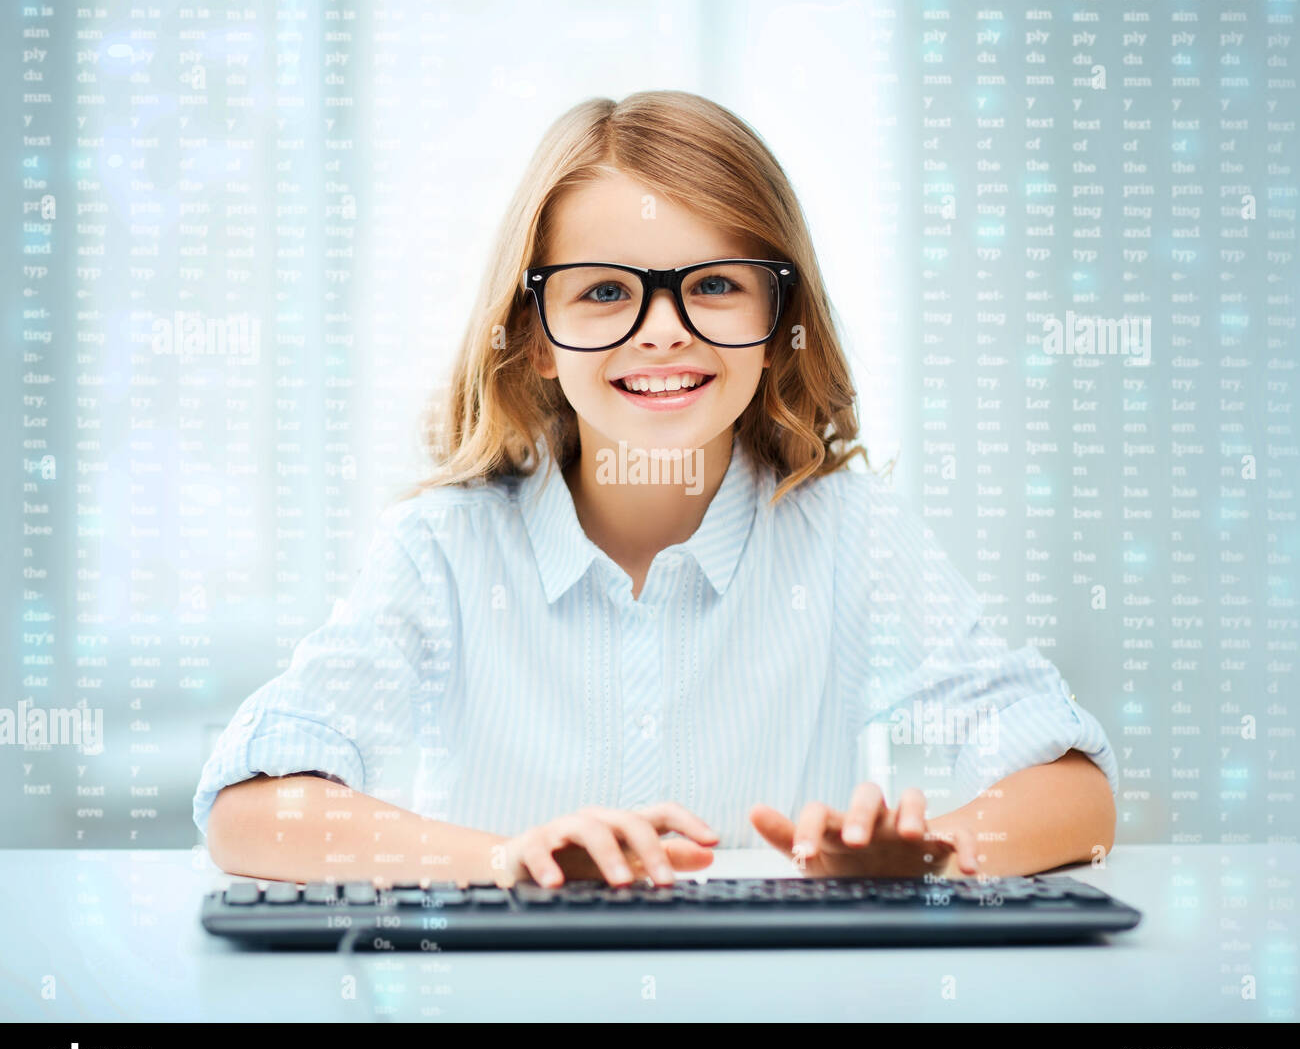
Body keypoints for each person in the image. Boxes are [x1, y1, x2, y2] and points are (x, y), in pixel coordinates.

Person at [194, 90, 1118, 889]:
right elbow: (249, 811)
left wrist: (936, 855)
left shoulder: (848, 535)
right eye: (604, 292)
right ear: (539, 333)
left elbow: (1076, 792)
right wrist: (510, 857)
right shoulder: (444, 548)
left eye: (714, 284)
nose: (663, 332)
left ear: (776, 318)